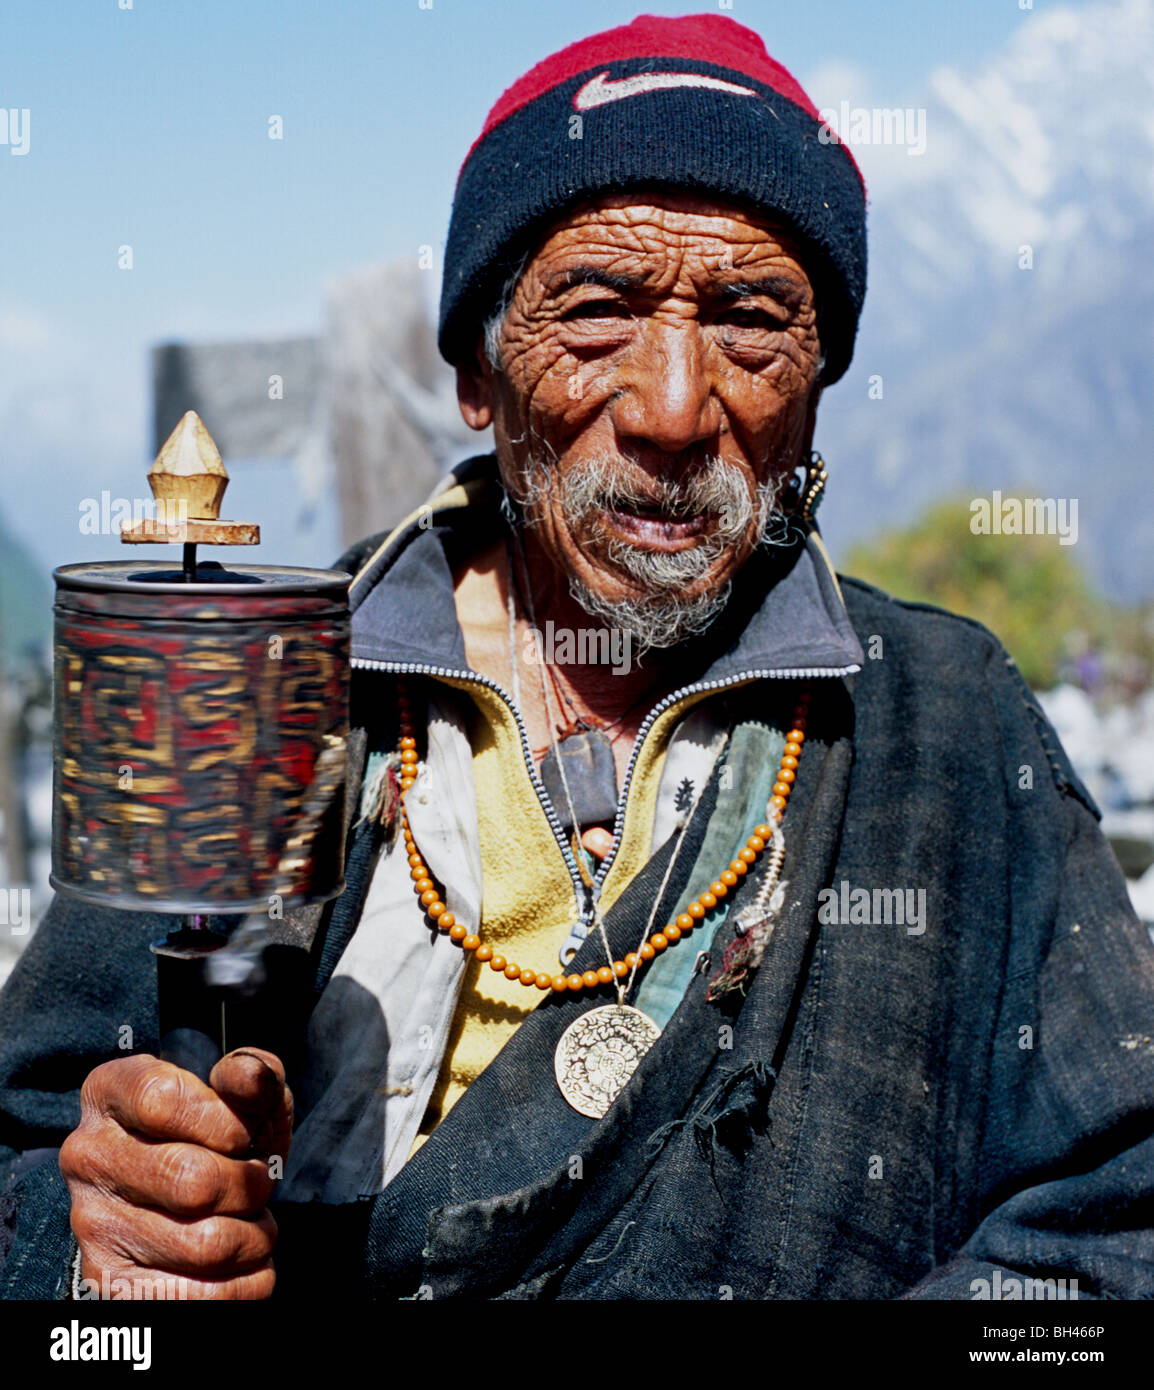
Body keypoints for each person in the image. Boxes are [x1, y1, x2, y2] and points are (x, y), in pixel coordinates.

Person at [3, 12, 1154, 1302]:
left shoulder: (946, 721)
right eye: (598, 310)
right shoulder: (257, 683)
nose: (673, 409)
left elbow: (1117, 1221)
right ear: (479, 377)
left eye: (751, 323)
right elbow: (29, 1145)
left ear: (818, 387)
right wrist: (96, 1259)